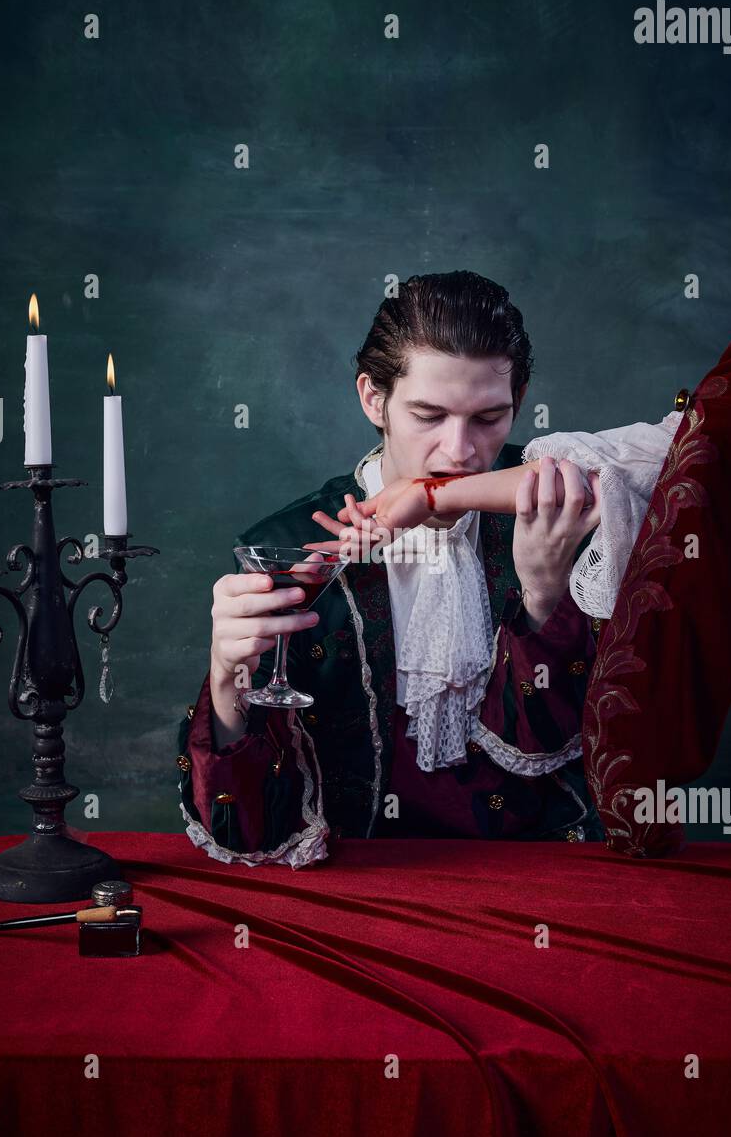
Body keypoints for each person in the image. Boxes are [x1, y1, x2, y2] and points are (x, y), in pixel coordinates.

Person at [176, 270, 643, 867]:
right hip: (357, 881)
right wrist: (224, 682)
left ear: (519, 401)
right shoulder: (288, 548)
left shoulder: (568, 514)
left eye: (488, 418)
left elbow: (590, 753)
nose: (459, 451)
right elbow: (251, 834)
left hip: (545, 880)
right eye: (429, 415)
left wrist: (545, 595)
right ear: (374, 398)